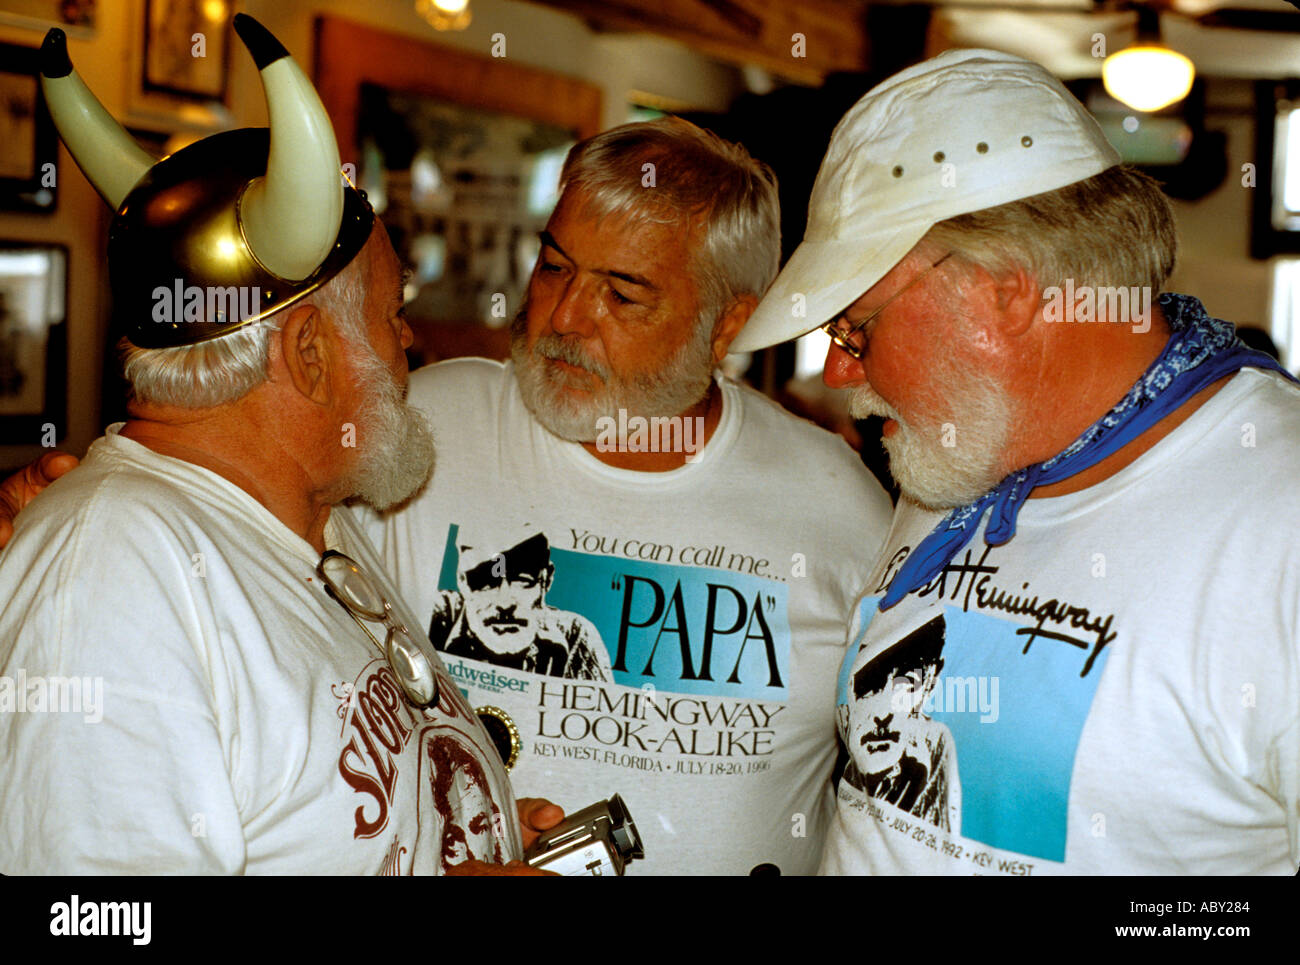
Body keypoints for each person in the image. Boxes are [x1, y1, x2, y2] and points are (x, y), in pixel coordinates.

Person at [0, 122, 892, 874]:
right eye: (552, 267)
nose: (562, 318)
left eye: (621, 293)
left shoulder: (841, 508)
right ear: (312, 356)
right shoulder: (404, 442)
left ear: (729, 323)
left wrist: (489, 824)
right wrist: (71, 543)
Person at [0, 17, 557, 875]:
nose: (409, 343)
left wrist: (479, 831)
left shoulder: (304, 518)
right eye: (390, 312)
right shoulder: (115, 569)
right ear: (307, 352)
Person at [735, 48, 1300, 874]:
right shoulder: (961, 446)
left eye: (857, 329)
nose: (842, 373)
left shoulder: (1277, 521)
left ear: (1005, 288)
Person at [431, 525, 611, 680]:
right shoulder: (439, 612)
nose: (504, 603)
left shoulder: (576, 635)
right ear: (462, 581)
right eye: (485, 582)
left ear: (546, 580)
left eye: (522, 580)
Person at [841, 614, 956, 833]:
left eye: (907, 684)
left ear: (932, 679)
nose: (883, 714)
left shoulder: (936, 747)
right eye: (869, 686)